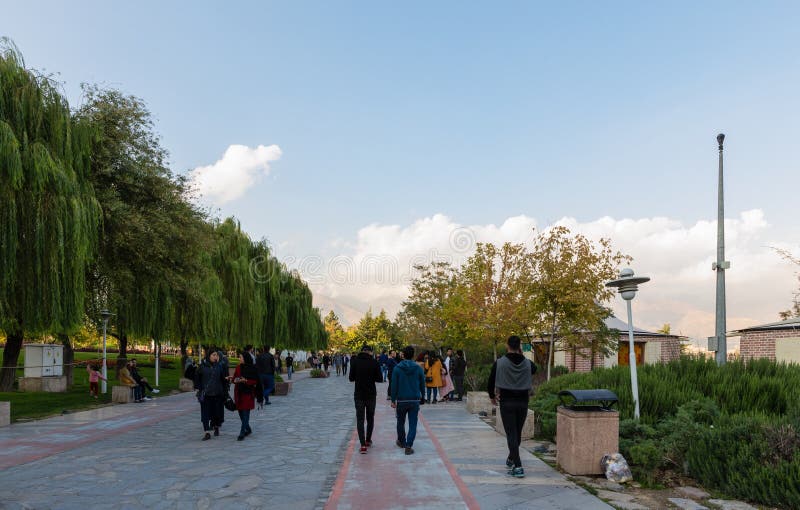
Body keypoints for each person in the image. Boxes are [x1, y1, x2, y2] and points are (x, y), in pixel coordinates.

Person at [487, 335, 537, 478]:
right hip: (523, 402)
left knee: (511, 434)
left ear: (507, 345)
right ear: (519, 346)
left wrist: (492, 396)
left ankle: (518, 466)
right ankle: (511, 458)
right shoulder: (527, 363)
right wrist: (520, 354)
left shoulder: (499, 363)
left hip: (507, 402)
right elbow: (535, 369)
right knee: (517, 433)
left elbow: (490, 382)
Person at [348, 344, 384, 454]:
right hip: (371, 394)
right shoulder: (374, 362)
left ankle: (363, 445)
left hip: (359, 394)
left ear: (362, 351)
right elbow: (379, 379)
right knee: (370, 418)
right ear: (370, 352)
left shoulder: (355, 362)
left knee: (360, 419)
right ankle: (368, 440)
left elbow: (351, 378)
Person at [391, 346, 425, 455]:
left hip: (401, 400)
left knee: (400, 422)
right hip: (414, 400)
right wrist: (423, 396)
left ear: (403, 355)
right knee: (413, 423)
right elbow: (422, 384)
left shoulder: (397, 368)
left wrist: (392, 399)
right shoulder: (418, 368)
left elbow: (394, 385)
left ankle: (401, 441)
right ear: (413, 355)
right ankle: (409, 446)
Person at [194, 350, 228, 440]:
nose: (215, 357)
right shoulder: (202, 366)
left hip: (217, 394)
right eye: (213, 355)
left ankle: (216, 426)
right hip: (206, 394)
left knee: (216, 413)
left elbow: (223, 379)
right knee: (205, 413)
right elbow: (197, 378)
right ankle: (207, 432)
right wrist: (199, 388)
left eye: (216, 355)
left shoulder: (219, 366)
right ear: (209, 356)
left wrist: (225, 389)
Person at [231, 351, 259, 441]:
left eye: (241, 357)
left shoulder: (253, 368)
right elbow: (234, 379)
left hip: (248, 393)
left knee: (245, 413)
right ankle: (248, 428)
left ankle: (242, 433)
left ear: (246, 358)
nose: (239, 359)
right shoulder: (238, 367)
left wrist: (246, 381)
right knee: (240, 414)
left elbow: (255, 381)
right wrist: (236, 380)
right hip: (239, 393)